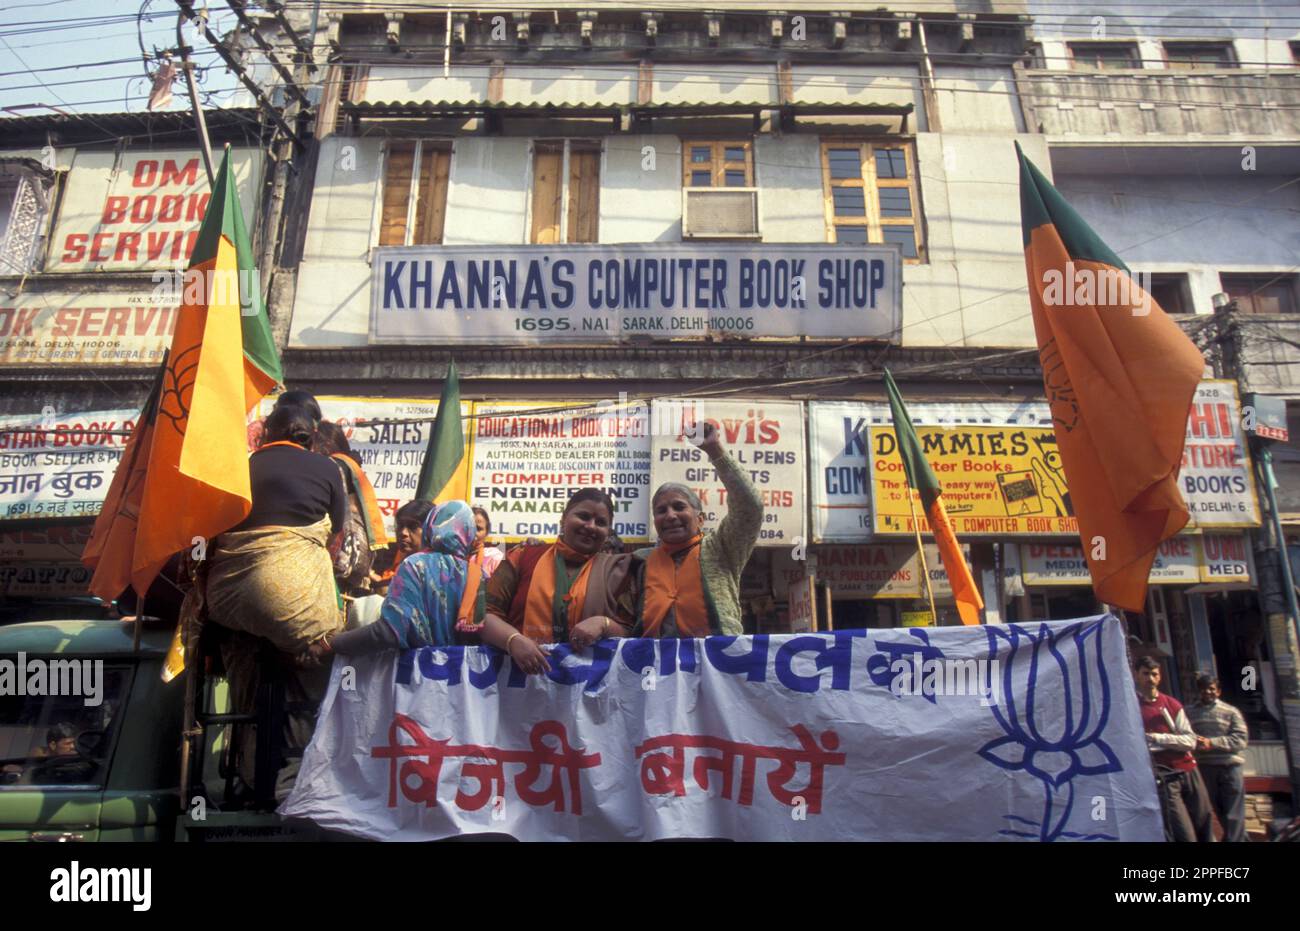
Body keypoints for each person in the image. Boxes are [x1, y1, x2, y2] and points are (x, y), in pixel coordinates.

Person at [202, 404, 347, 799]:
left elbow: (207, 533)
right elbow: (338, 534)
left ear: (267, 433)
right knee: (317, 673)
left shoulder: (239, 469)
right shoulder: (328, 469)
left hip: (226, 600)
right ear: (310, 437)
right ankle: (295, 782)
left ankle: (247, 776)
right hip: (292, 599)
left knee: (243, 682)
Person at [480, 488, 636, 674]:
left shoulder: (619, 571)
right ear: (563, 519)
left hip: (588, 689)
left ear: (608, 531)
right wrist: (512, 640)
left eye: (601, 522)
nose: (591, 526)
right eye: (583, 516)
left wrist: (605, 624)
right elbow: (482, 614)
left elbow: (633, 633)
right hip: (520, 681)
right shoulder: (523, 556)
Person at [634, 421, 762, 637]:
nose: (670, 515)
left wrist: (715, 451)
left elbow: (750, 507)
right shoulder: (640, 560)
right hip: (657, 665)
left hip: (718, 663)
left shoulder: (721, 548)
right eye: (661, 510)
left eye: (679, 507)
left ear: (700, 519)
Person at [324, 501, 486, 657]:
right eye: (399, 526)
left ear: (431, 526)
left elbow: (390, 631)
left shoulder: (416, 566)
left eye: (413, 526)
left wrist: (331, 644)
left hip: (418, 676)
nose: (403, 533)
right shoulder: (478, 575)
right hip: (461, 677)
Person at [1134, 657, 1216, 842]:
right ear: (1136, 676)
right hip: (1165, 775)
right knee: (1181, 830)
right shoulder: (1133, 708)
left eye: (1154, 674)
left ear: (1160, 676)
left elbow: (1189, 741)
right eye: (1145, 674)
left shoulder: (1171, 704)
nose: (1150, 679)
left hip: (1188, 769)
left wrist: (1157, 738)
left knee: (1204, 821)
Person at [314, 420, 390, 596]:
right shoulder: (350, 465)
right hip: (360, 547)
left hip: (342, 546)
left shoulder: (333, 465)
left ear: (324, 445)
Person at [1189, 674, 1250, 843]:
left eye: (1211, 689)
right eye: (1204, 689)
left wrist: (1212, 742)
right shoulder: (1189, 712)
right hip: (1205, 767)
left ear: (1219, 691)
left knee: (1234, 814)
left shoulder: (1231, 712)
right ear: (1198, 691)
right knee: (1215, 810)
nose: (1208, 692)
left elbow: (1240, 740)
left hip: (1230, 767)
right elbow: (1184, 735)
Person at [472, 506, 506, 577]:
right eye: (469, 528)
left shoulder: (494, 558)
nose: (473, 532)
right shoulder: (450, 559)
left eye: (478, 529)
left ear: (487, 532)